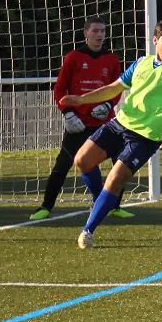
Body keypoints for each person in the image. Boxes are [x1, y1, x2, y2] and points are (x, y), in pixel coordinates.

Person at [63, 20, 162, 249]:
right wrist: (81, 100)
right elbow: (113, 88)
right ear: (155, 40)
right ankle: (102, 201)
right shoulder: (141, 63)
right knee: (82, 160)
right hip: (119, 124)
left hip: (145, 137)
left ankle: (88, 231)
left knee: (114, 178)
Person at [31, 16, 132, 221]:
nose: (99, 35)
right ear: (86, 33)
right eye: (95, 31)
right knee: (62, 164)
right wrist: (67, 113)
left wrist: (107, 104)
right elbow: (59, 88)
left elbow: (117, 88)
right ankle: (46, 207)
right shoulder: (73, 57)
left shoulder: (112, 59)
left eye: (102, 31)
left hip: (105, 123)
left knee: (120, 162)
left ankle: (114, 206)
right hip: (78, 123)